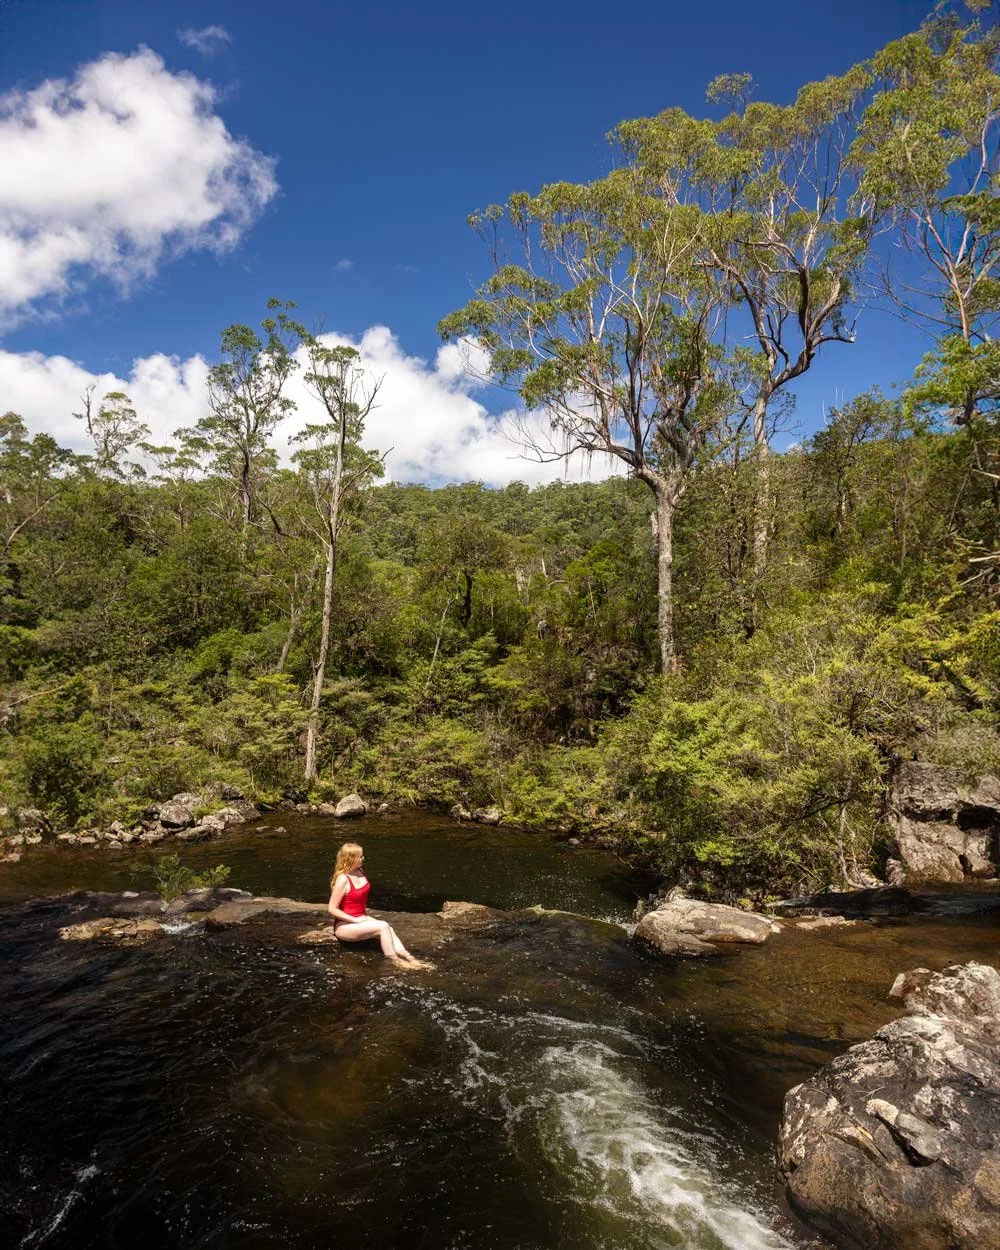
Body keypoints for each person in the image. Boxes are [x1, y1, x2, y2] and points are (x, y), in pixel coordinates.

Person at [328, 842, 427, 968]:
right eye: (361, 856)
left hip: (361, 919)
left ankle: (410, 958)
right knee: (383, 926)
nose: (363, 858)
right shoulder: (342, 879)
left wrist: (361, 919)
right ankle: (395, 961)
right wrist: (355, 920)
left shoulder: (359, 871)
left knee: (389, 929)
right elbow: (332, 908)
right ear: (352, 859)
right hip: (344, 926)